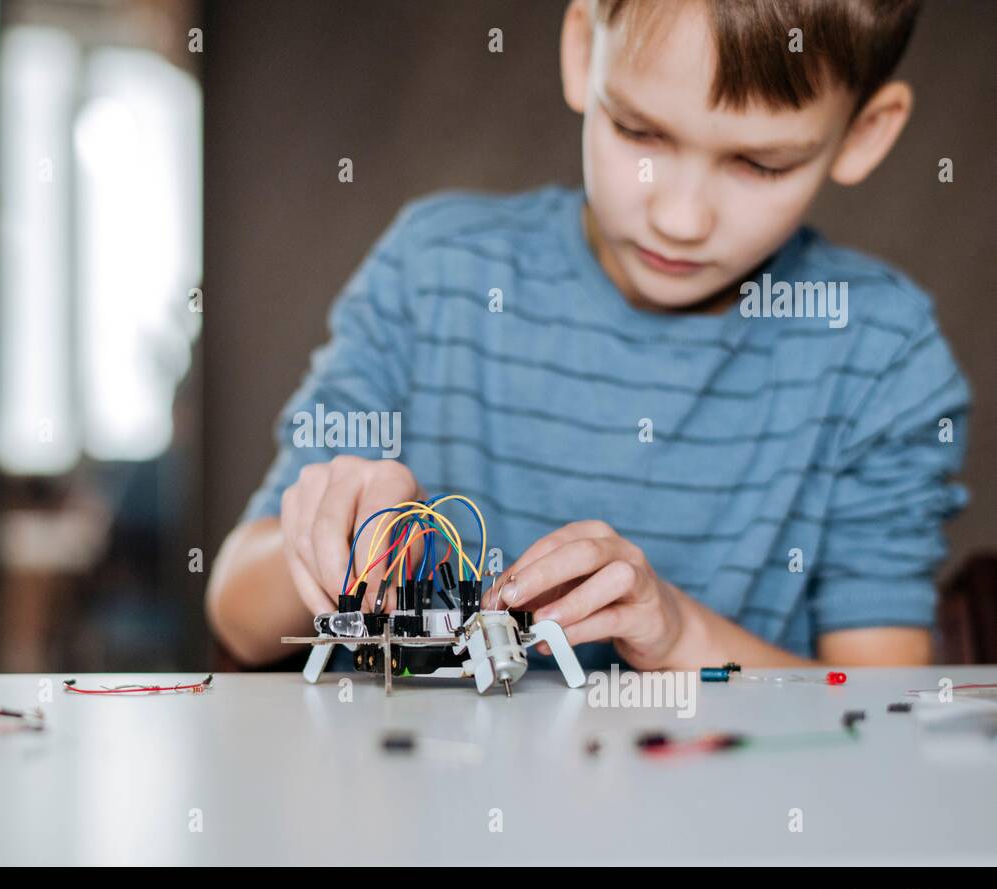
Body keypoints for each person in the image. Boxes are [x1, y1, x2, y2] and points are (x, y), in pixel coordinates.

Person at [206, 0, 969, 675]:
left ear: (865, 133)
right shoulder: (435, 272)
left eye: (760, 163)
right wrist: (342, 545)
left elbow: (880, 699)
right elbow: (237, 613)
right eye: (640, 132)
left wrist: (679, 634)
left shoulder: (881, 352)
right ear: (581, 51)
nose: (680, 217)